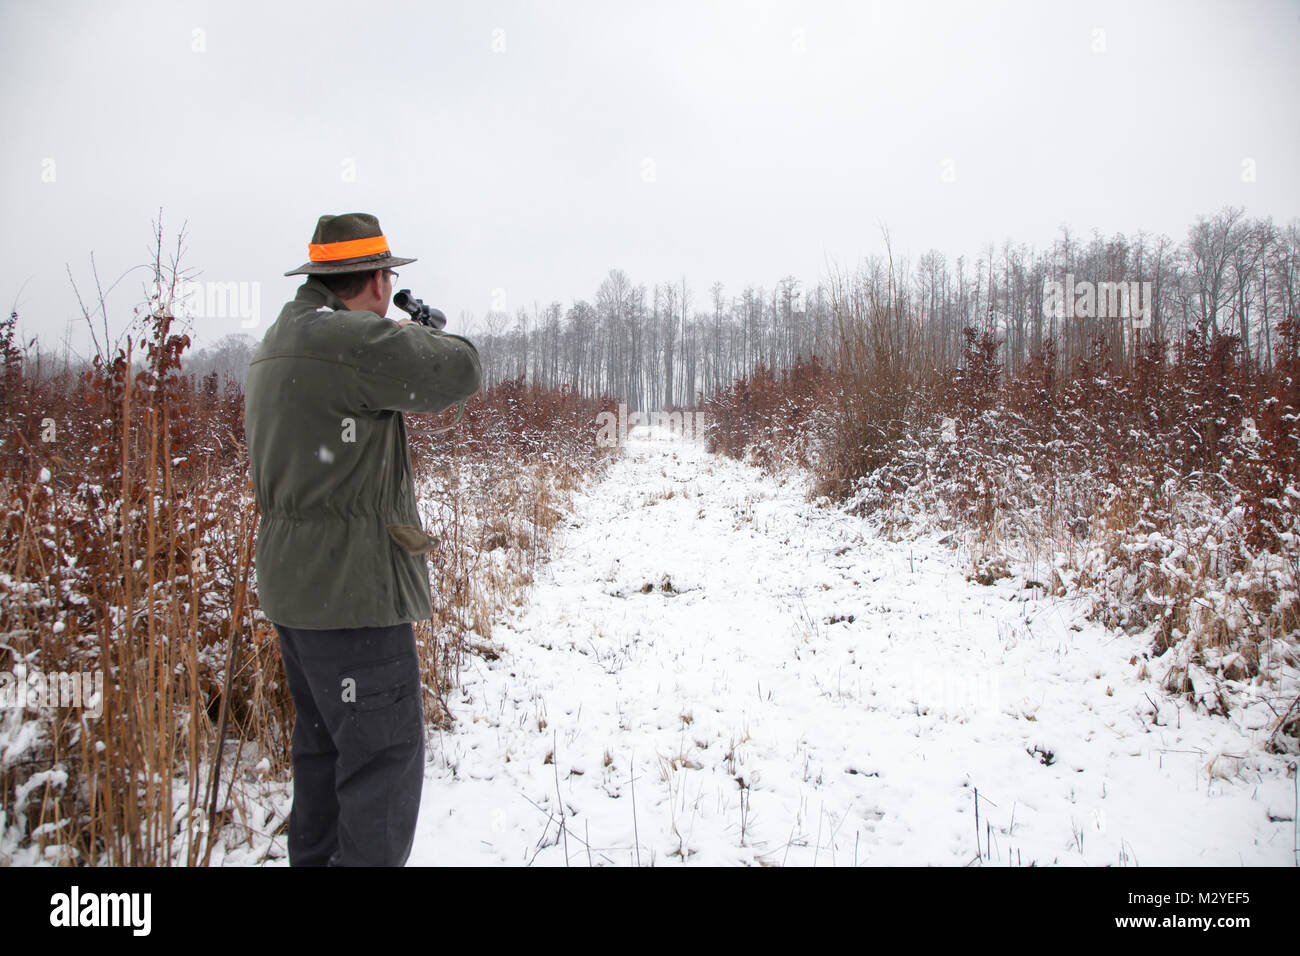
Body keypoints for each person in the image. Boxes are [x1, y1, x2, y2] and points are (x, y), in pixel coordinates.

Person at [244, 213, 482, 866]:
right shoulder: (353, 341)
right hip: (352, 596)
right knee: (381, 764)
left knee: (323, 758)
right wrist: (418, 333)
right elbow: (460, 371)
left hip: (295, 595)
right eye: (389, 278)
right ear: (378, 281)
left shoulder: (278, 340)